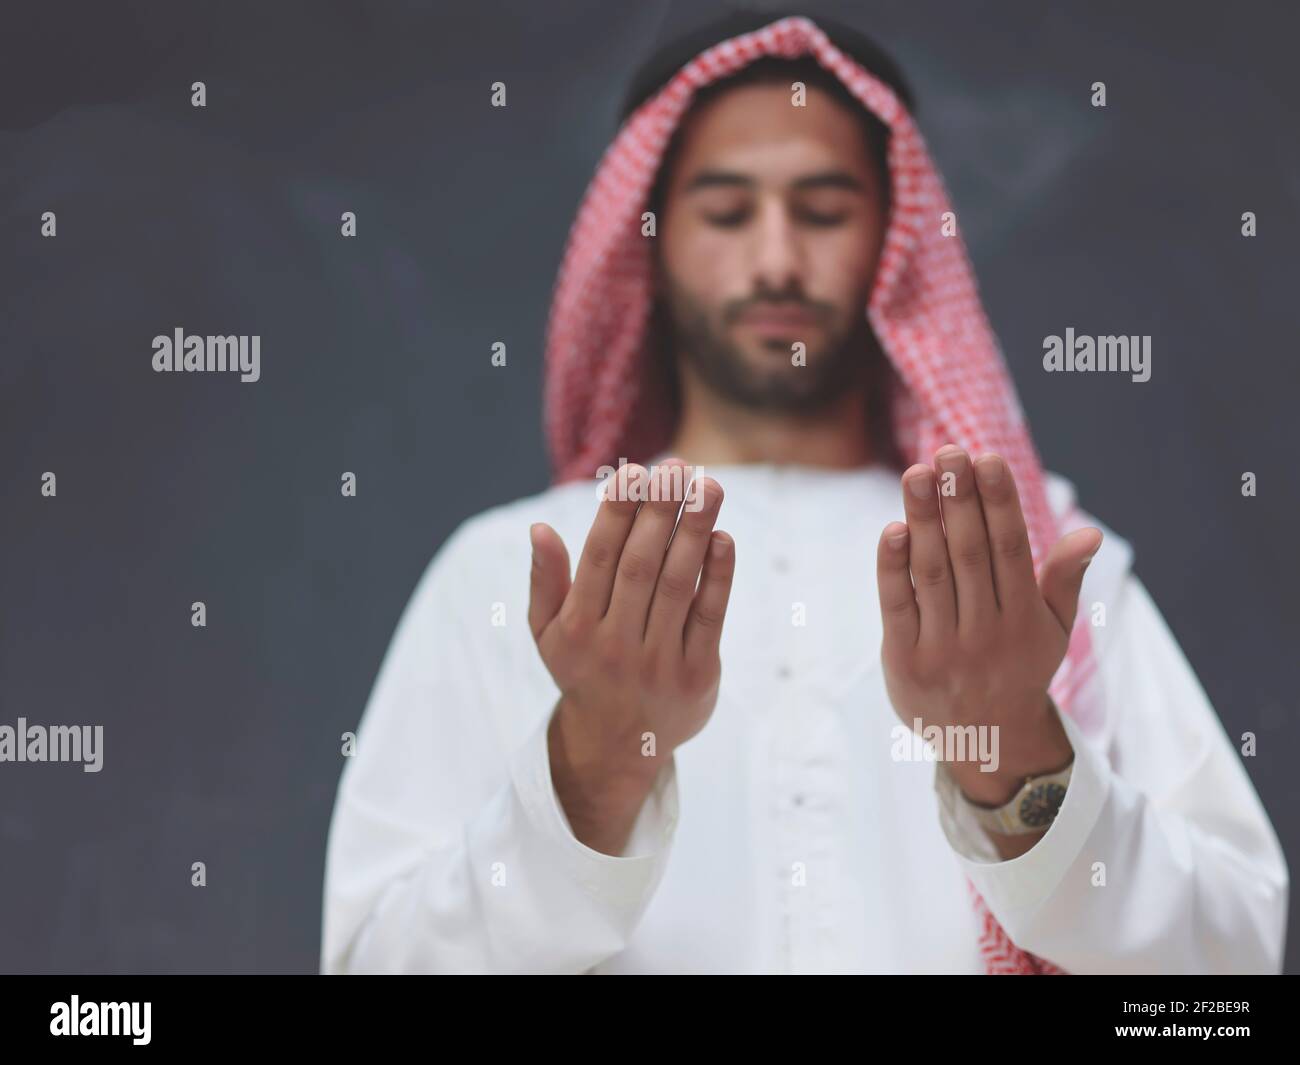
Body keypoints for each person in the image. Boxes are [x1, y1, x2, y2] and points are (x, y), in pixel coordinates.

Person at [320, 12, 1288, 974]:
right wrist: (592, 767)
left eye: (823, 211)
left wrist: (1017, 754)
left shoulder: (1027, 569)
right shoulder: (511, 573)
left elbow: (1228, 965)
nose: (777, 257)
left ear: (894, 247)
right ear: (647, 246)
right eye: (726, 212)